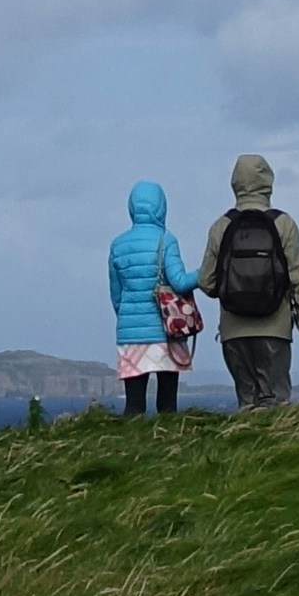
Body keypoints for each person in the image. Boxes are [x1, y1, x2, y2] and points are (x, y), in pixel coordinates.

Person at [197, 152, 299, 409]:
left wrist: (235, 291)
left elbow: (206, 282)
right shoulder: (284, 224)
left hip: (233, 332)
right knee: (276, 405)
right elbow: (298, 279)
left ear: (235, 183)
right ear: (268, 182)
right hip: (275, 329)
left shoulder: (221, 226)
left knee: (247, 403)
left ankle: (248, 446)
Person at [105, 177, 199, 419]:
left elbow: (116, 296)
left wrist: (129, 318)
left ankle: (129, 450)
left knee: (134, 406)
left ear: (132, 207)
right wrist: (204, 274)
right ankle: (168, 450)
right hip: (165, 333)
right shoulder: (167, 241)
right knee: (167, 406)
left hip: (130, 334)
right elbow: (179, 282)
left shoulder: (117, 245)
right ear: (161, 207)